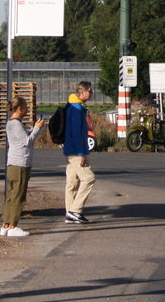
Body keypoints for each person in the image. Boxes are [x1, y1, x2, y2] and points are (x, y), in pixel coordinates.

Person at [1, 96, 44, 237]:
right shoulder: (16, 124)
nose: (27, 110)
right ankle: (13, 226)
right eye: (25, 107)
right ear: (20, 109)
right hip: (20, 164)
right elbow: (27, 142)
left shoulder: (11, 123)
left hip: (13, 164)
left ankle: (6, 224)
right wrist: (37, 128)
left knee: (11, 196)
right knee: (18, 196)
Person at [62, 81, 96, 223]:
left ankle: (70, 213)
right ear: (82, 92)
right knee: (89, 178)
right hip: (76, 150)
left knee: (72, 182)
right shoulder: (76, 108)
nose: (92, 94)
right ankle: (75, 211)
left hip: (69, 148)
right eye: (90, 91)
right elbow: (76, 132)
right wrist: (81, 153)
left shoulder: (73, 105)